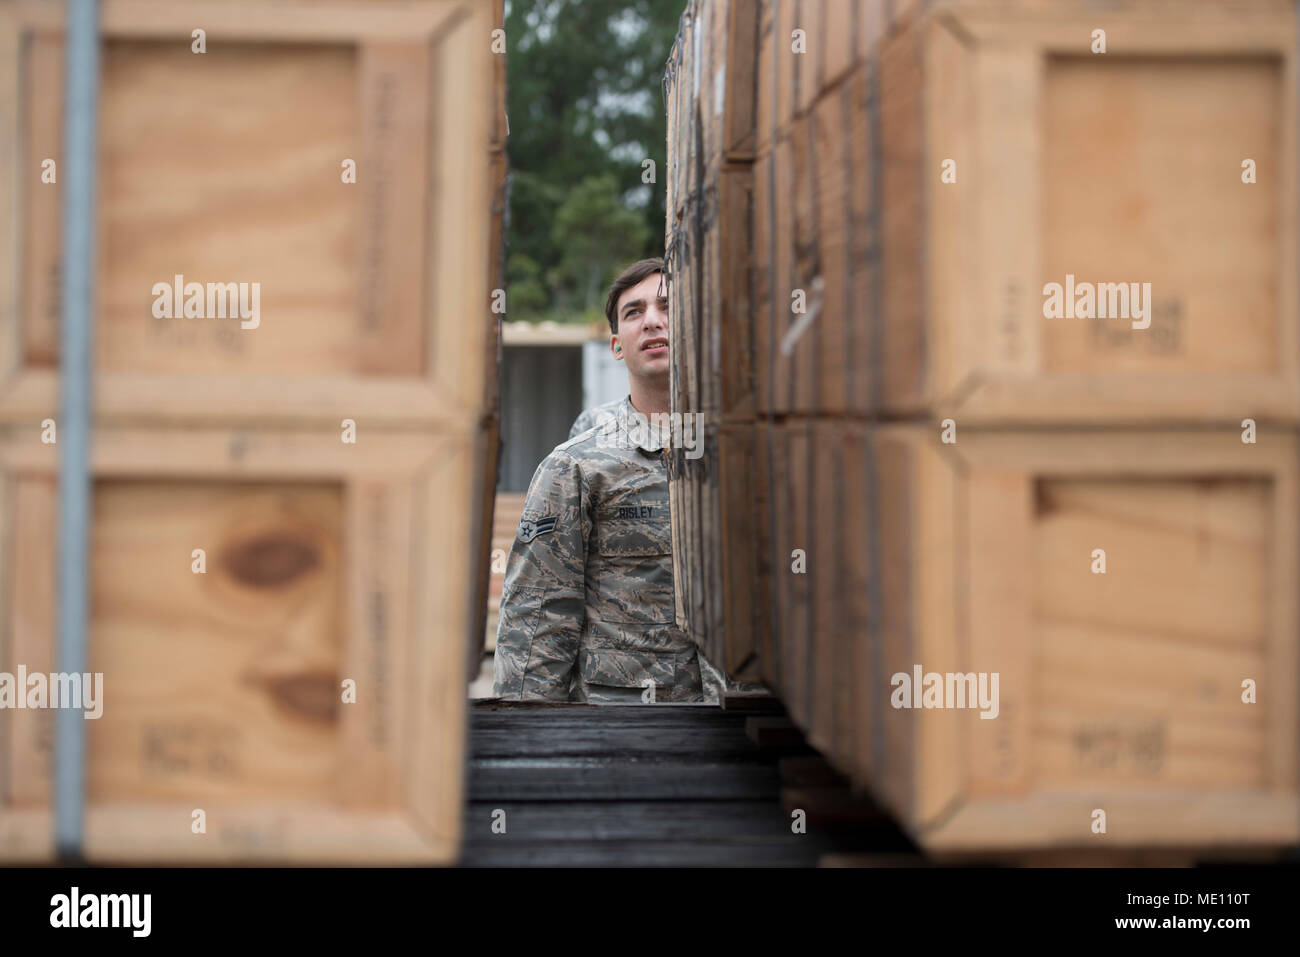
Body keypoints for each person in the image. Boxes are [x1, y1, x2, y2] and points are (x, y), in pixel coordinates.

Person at [492, 257, 724, 703]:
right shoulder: (577, 467)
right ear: (617, 346)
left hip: (745, 721)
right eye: (634, 312)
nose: (652, 321)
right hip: (624, 725)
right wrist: (526, 736)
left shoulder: (746, 460)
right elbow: (538, 614)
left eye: (667, 306)